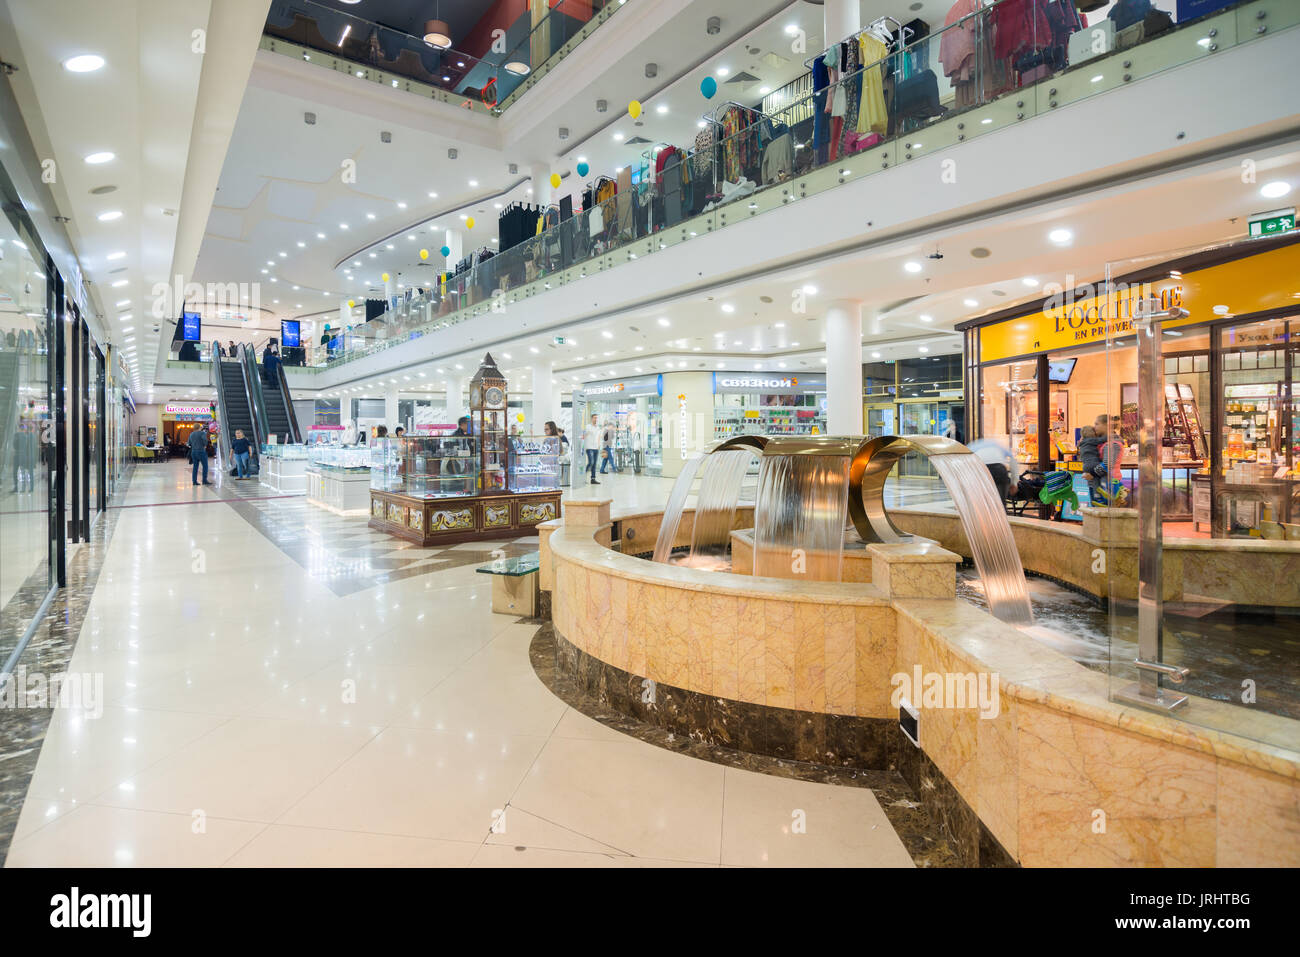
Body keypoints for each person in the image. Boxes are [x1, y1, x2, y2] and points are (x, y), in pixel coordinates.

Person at [583, 414, 602, 484]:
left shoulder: (598, 428)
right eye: (594, 418)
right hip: (589, 447)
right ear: (591, 418)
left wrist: (599, 445)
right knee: (591, 462)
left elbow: (599, 436)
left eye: (597, 418)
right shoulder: (588, 427)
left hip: (596, 448)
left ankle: (593, 479)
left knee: (594, 464)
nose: (596, 419)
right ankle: (582, 477)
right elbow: (584, 435)